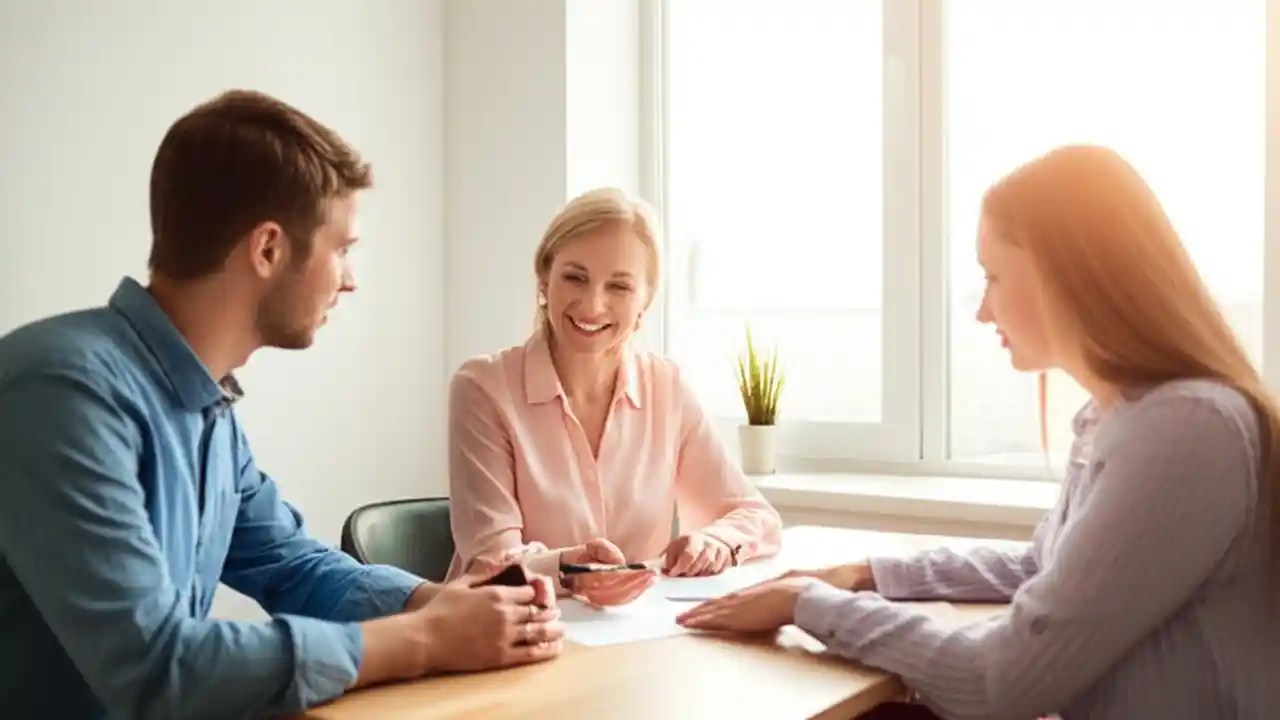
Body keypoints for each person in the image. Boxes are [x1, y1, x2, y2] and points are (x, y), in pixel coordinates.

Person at [0, 90, 563, 720]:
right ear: (268, 249)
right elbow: (155, 668)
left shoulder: (205, 406)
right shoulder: (61, 394)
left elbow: (288, 563)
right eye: (342, 249)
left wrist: (439, 602)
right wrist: (425, 640)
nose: (351, 278)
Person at [675, 145, 1278, 718]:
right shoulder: (1118, 416)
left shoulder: (1184, 431)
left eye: (993, 277)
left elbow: (996, 683)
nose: (983, 311)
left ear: (1064, 275)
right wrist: (863, 574)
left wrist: (808, 604)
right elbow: (1043, 566)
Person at [447, 187, 783, 606]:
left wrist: (716, 542)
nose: (593, 305)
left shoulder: (667, 387)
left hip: (626, 641)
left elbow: (757, 517)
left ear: (645, 301)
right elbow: (491, 562)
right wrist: (572, 571)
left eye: (619, 287)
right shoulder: (482, 387)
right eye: (575, 277)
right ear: (544, 278)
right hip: (504, 634)